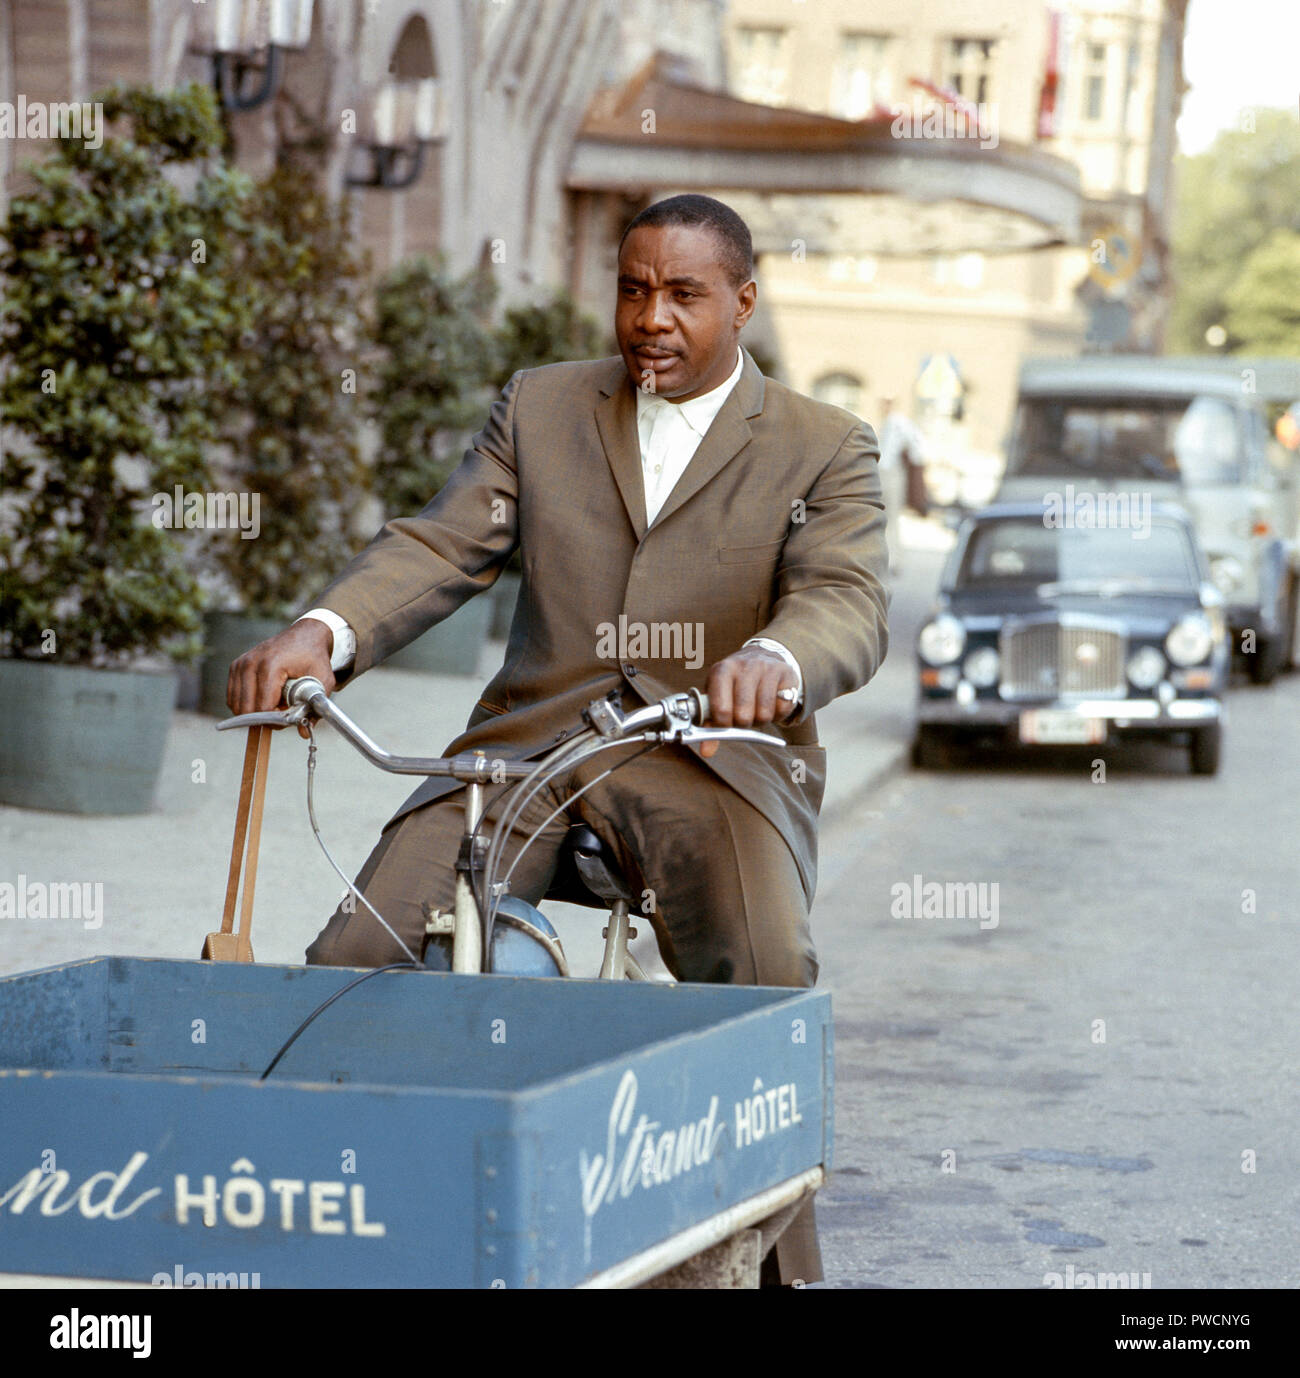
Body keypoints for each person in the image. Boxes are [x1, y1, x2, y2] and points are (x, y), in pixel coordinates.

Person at [227, 194, 890, 1285]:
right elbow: (444, 543)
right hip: (528, 747)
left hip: (706, 751)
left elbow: (844, 599)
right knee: (357, 958)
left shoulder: (824, 447)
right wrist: (323, 629)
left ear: (742, 303)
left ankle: (780, 1264)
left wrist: (775, 664)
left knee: (764, 971)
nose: (651, 319)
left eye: (682, 294)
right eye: (633, 289)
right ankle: (342, 1226)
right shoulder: (541, 406)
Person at [878, 395, 929, 524]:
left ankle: (891, 544)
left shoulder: (899, 422)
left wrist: (912, 466)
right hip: (883, 472)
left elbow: (917, 445)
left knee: (891, 513)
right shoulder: (887, 423)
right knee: (882, 513)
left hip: (893, 472)